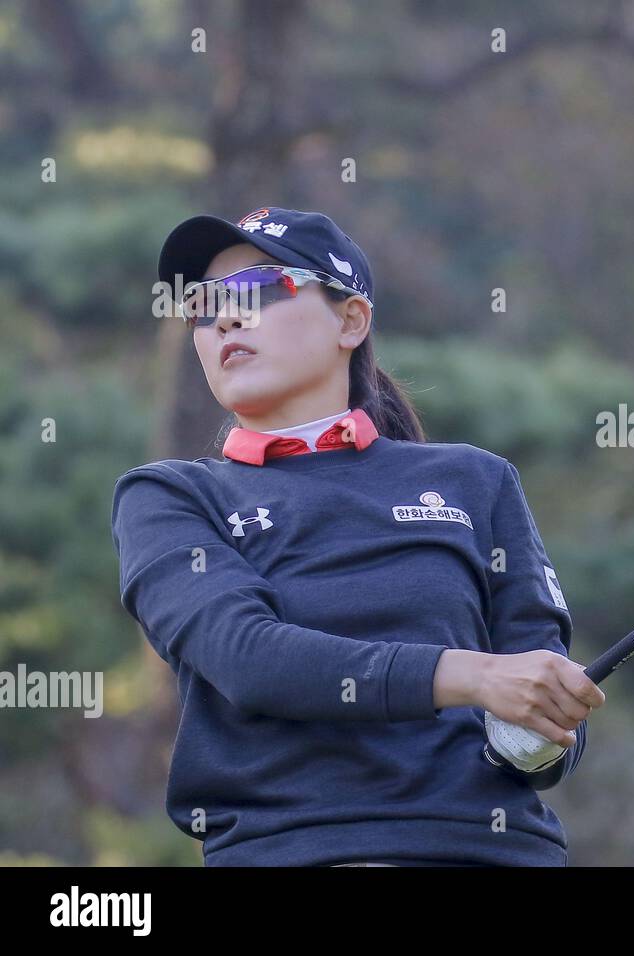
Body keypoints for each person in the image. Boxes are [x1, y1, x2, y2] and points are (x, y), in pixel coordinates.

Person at [111, 206, 605, 866]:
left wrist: (543, 727)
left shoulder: (477, 480)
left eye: (258, 289)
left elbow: (546, 711)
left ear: (350, 321)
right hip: (295, 853)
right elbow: (248, 660)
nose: (225, 317)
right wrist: (474, 676)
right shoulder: (168, 496)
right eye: (202, 305)